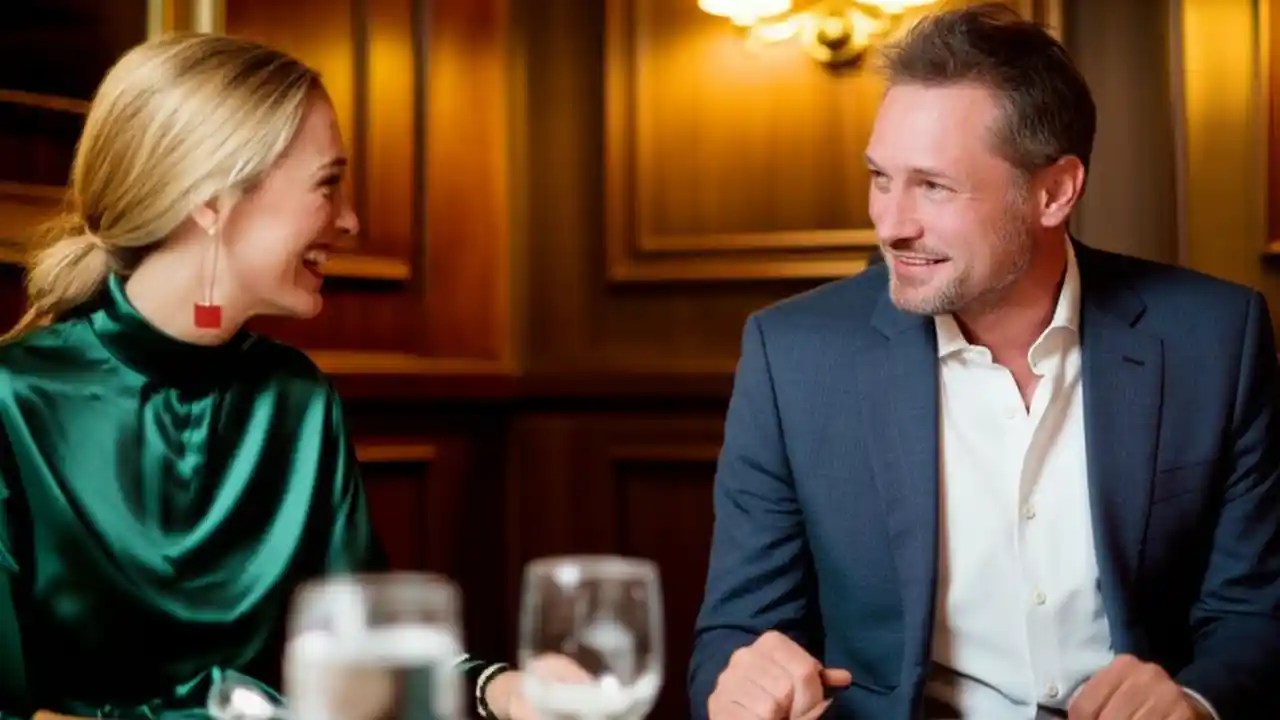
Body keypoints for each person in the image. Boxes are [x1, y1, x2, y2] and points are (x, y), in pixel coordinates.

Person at [689, 4, 1280, 720]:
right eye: (882, 177)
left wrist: (1192, 699)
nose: (892, 223)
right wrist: (743, 685)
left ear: (1054, 191)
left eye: (934, 186)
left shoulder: (1215, 337)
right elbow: (736, 636)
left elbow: (1256, 610)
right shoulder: (793, 356)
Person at [0, 33, 535, 720]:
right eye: (327, 183)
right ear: (211, 199)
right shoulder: (14, 401)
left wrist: (502, 690)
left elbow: (367, 658)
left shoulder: (298, 399)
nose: (349, 220)